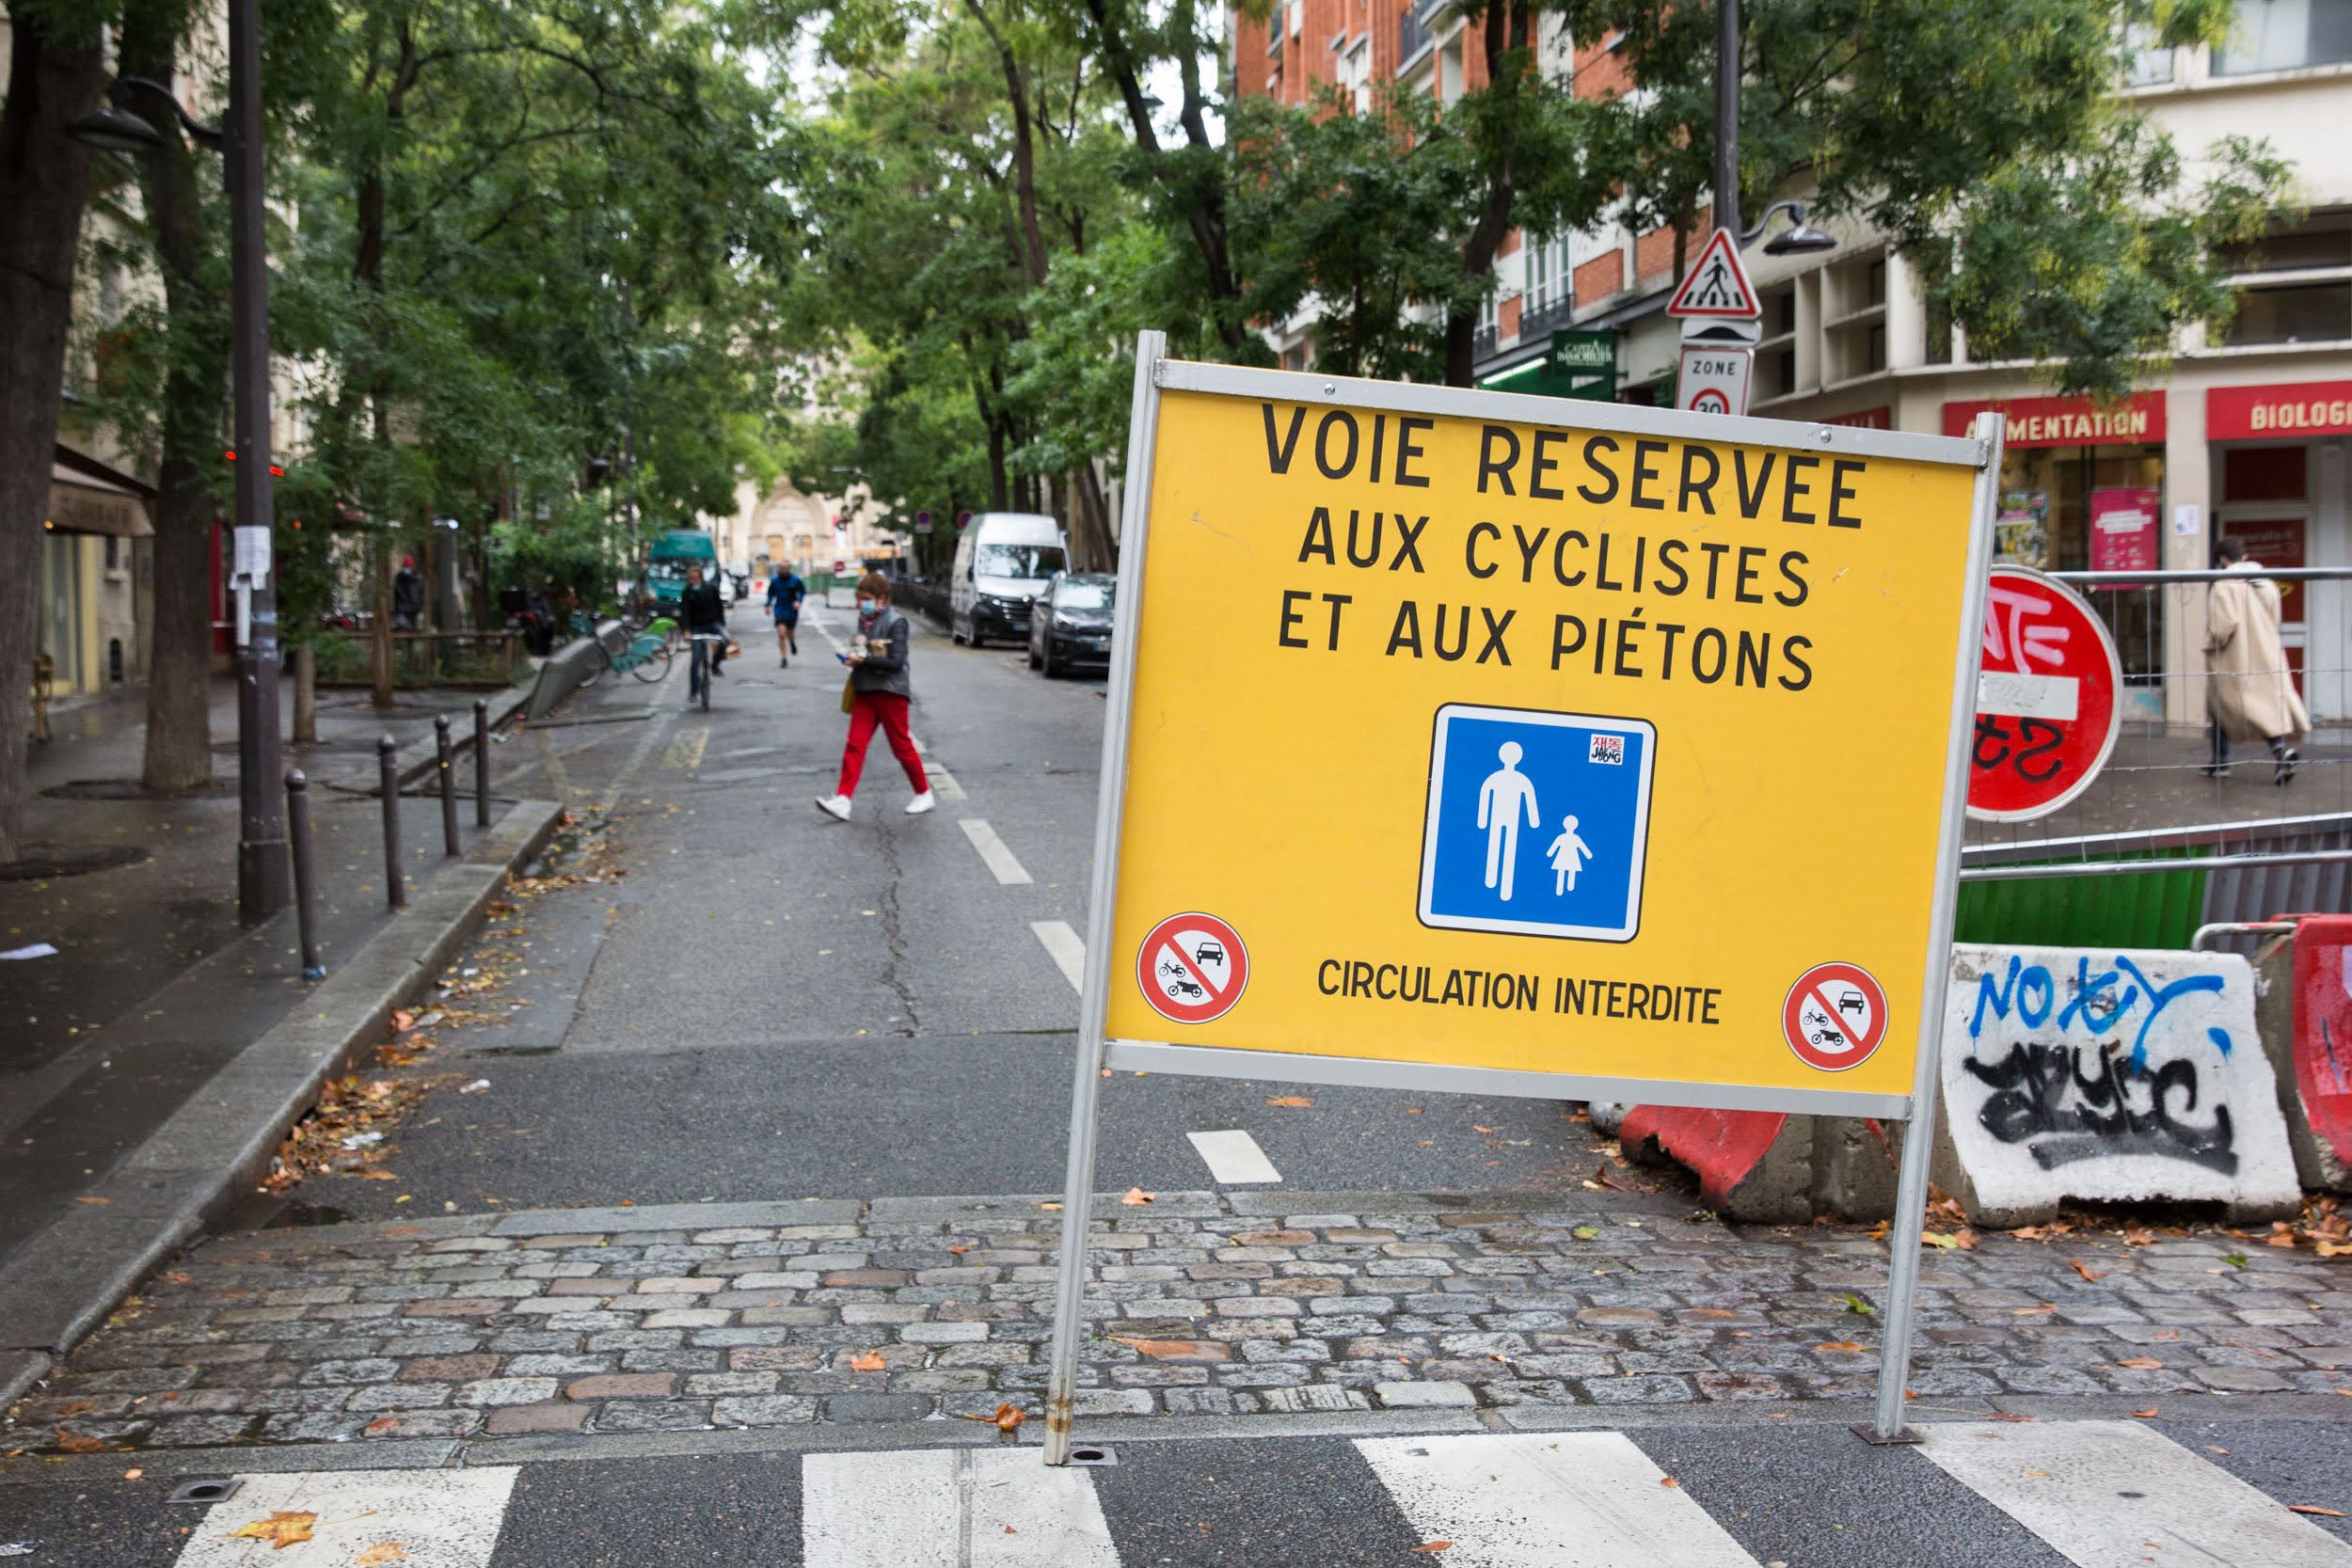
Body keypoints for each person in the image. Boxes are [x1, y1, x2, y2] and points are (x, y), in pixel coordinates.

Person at [816, 573, 935, 820]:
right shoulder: (865, 620)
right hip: (866, 689)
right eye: (860, 598)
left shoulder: (897, 621)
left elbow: (896, 661)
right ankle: (843, 799)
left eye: (866, 598)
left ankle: (924, 793)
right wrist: (855, 652)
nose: (862, 603)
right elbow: (867, 650)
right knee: (854, 745)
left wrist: (863, 659)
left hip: (890, 691)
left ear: (882, 599)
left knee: (901, 746)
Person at [2204, 536, 2306, 784]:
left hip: (2236, 656)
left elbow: (2222, 626)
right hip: (2266, 652)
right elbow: (2274, 619)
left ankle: (2274, 752)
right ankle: (2221, 761)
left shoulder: (2224, 585)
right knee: (2260, 705)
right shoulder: (2267, 583)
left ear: (2222, 559)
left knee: (2225, 703)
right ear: (2245, 556)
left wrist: (2209, 645)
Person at [679, 563, 728, 691]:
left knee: (725, 639)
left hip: (712, 623)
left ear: (700, 578)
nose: (692, 581)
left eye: (694, 578)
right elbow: (684, 612)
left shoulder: (711, 589)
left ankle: (715, 665)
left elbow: (719, 608)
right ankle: (694, 690)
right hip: (696, 626)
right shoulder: (687, 592)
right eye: (690, 579)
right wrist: (686, 630)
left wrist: (722, 625)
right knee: (696, 656)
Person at [767, 563, 805, 668]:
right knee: (782, 634)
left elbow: (802, 591)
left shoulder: (795, 580)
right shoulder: (775, 580)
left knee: (790, 632)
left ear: (789, 569)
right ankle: (784, 658)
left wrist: (799, 601)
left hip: (792, 610)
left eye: (786, 569)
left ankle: (792, 643)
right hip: (779, 609)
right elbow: (770, 593)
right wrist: (768, 604)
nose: (784, 570)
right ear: (779, 569)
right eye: (782, 568)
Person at [1547, 815, 1593, 896]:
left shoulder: (1564, 837)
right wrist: (1588, 855)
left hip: (1565, 858)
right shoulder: (1573, 837)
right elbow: (1584, 848)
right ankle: (1568, 888)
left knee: (1564, 871)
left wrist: (1550, 854)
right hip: (1570, 858)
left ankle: (1564, 890)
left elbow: (1552, 849)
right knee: (1568, 871)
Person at [392, 556, 425, 630]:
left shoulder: (416, 579)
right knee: (407, 628)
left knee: (408, 629)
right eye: (406, 566)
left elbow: (420, 593)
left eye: (408, 566)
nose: (407, 568)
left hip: (407, 609)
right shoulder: (416, 578)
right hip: (408, 609)